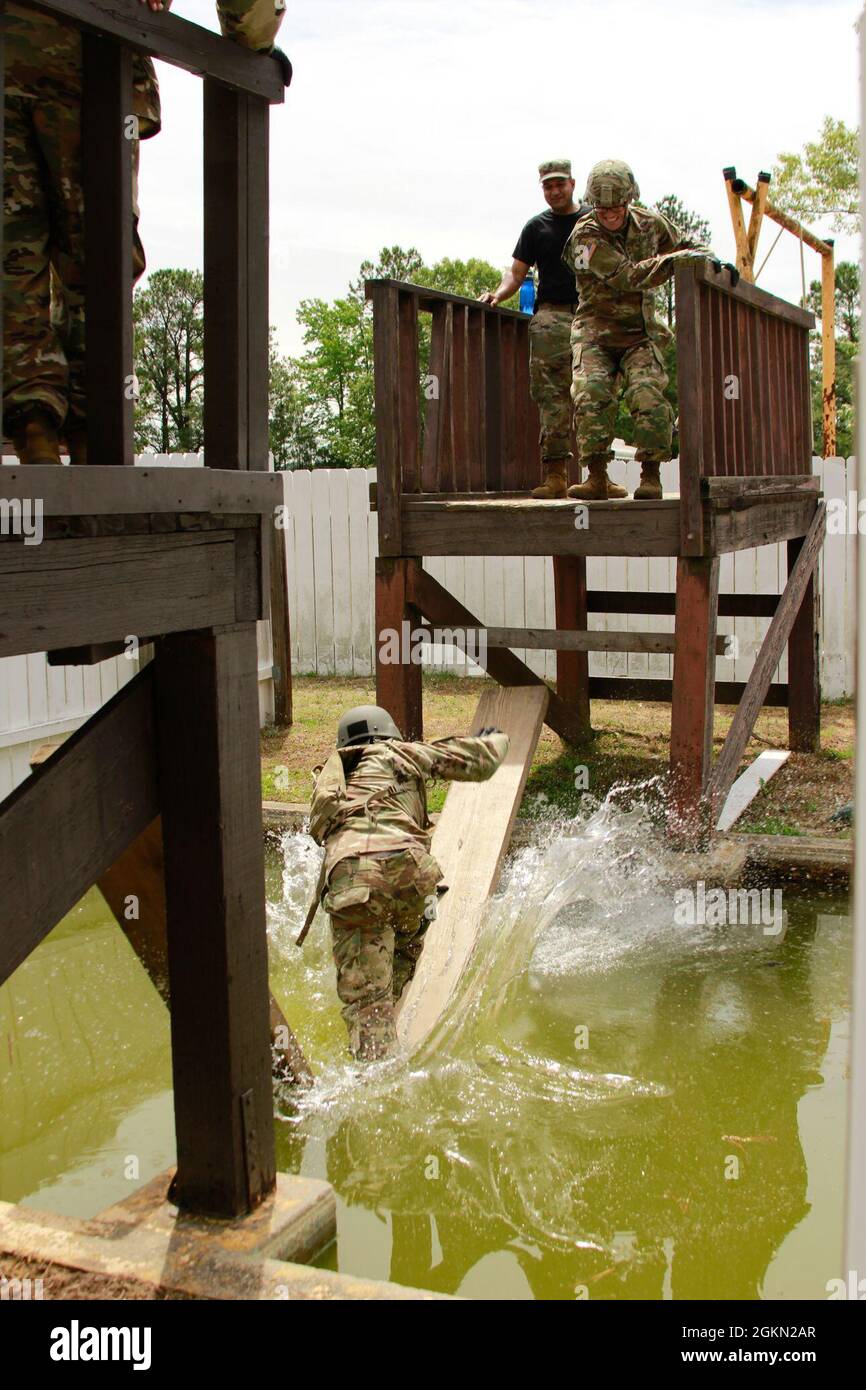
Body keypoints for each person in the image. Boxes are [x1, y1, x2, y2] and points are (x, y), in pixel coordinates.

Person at [2, 0, 289, 464]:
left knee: (15, 256)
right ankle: (88, 436)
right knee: (95, 255)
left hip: (25, 51)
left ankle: (36, 427)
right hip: (88, 62)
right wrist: (255, 40)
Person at [308, 705, 510, 1061]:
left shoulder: (329, 777)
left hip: (355, 882)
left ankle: (375, 1071)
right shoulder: (400, 752)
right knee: (402, 945)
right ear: (390, 734)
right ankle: (389, 1032)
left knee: (367, 1005)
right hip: (413, 877)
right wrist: (496, 738)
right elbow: (482, 761)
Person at [562, 159, 714, 501]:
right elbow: (626, 276)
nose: (610, 214)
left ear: (629, 200)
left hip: (639, 332)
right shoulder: (584, 238)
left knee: (648, 395)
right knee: (592, 394)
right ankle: (597, 476)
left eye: (616, 207)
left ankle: (651, 475)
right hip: (595, 333)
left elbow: (687, 244)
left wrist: (708, 258)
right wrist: (676, 262)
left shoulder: (649, 223)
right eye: (602, 208)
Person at [478, 159, 589, 499]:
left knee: (595, 394)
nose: (554, 191)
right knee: (552, 397)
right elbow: (516, 272)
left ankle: (596, 474)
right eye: (547, 186)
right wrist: (498, 292)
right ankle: (555, 474)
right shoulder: (535, 228)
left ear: (572, 183)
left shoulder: (592, 221)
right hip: (551, 316)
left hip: (591, 314)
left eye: (559, 184)